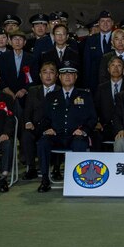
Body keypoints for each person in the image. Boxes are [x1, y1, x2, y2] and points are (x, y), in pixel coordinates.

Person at [36, 62, 96, 192]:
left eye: (71, 74)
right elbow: (44, 118)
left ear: (76, 77)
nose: (67, 76)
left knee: (80, 143)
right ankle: (45, 179)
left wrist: (84, 131)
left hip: (75, 135)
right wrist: (46, 129)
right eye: (64, 74)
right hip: (56, 135)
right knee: (42, 143)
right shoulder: (51, 96)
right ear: (59, 77)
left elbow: (92, 118)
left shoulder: (85, 95)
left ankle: (78, 180)